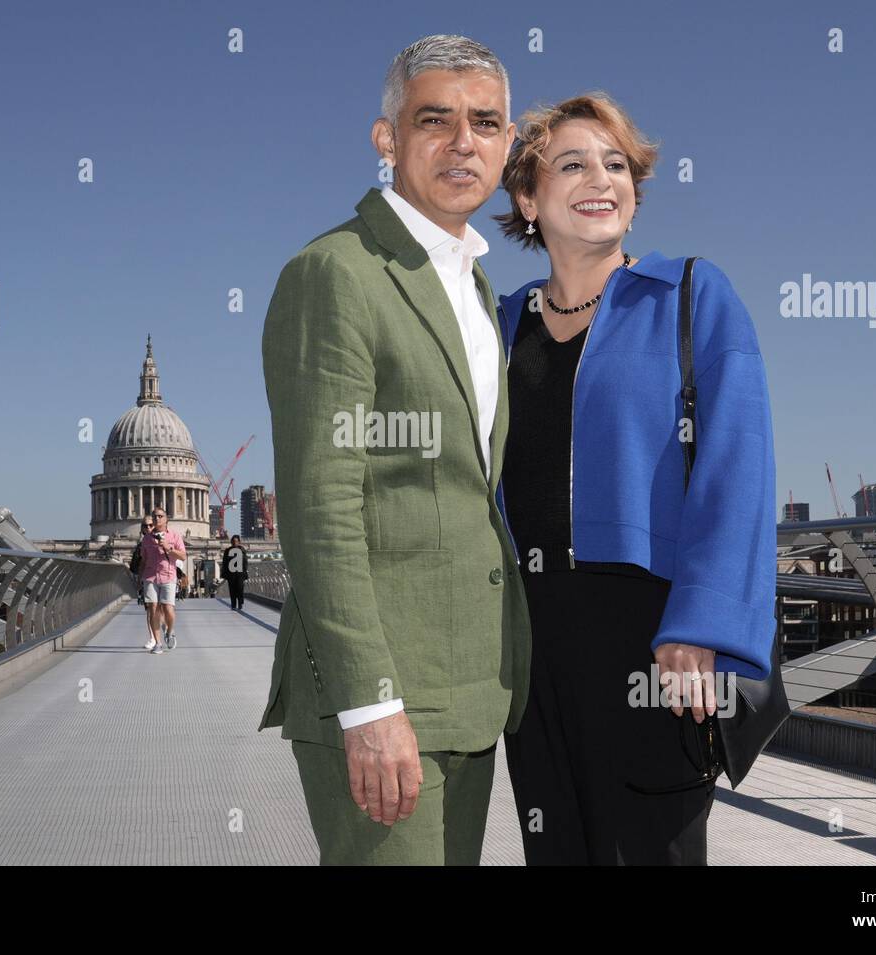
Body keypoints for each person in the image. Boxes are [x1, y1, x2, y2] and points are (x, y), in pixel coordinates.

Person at [259, 34, 531, 866]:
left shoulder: (473, 285)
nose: (463, 143)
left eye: (485, 122)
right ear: (387, 140)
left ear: (509, 143)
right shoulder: (336, 272)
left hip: (470, 689)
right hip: (388, 697)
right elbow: (321, 505)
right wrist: (369, 705)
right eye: (434, 120)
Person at [492, 92, 778, 864]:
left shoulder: (691, 295)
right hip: (531, 642)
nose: (602, 179)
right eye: (574, 164)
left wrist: (701, 623)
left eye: (616, 165)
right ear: (527, 197)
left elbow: (739, 465)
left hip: (653, 639)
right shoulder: (495, 325)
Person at [138, 508, 186, 654]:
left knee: (168, 609)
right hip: (150, 576)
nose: (157, 519)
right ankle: (157, 643)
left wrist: (168, 548)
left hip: (168, 575)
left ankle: (170, 631)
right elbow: (143, 560)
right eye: (155, 517)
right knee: (153, 608)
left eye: (160, 516)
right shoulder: (146, 539)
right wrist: (140, 579)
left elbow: (183, 556)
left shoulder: (175, 536)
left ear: (166, 519)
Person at [221, 535, 249, 610]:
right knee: (232, 589)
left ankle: (240, 603)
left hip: (240, 573)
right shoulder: (227, 550)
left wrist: (245, 571)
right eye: (233, 541)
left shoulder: (242, 549)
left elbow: (245, 561)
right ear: (231, 542)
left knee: (240, 588)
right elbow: (225, 562)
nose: (234, 543)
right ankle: (233, 604)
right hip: (231, 573)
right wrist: (224, 573)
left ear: (239, 542)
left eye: (236, 541)